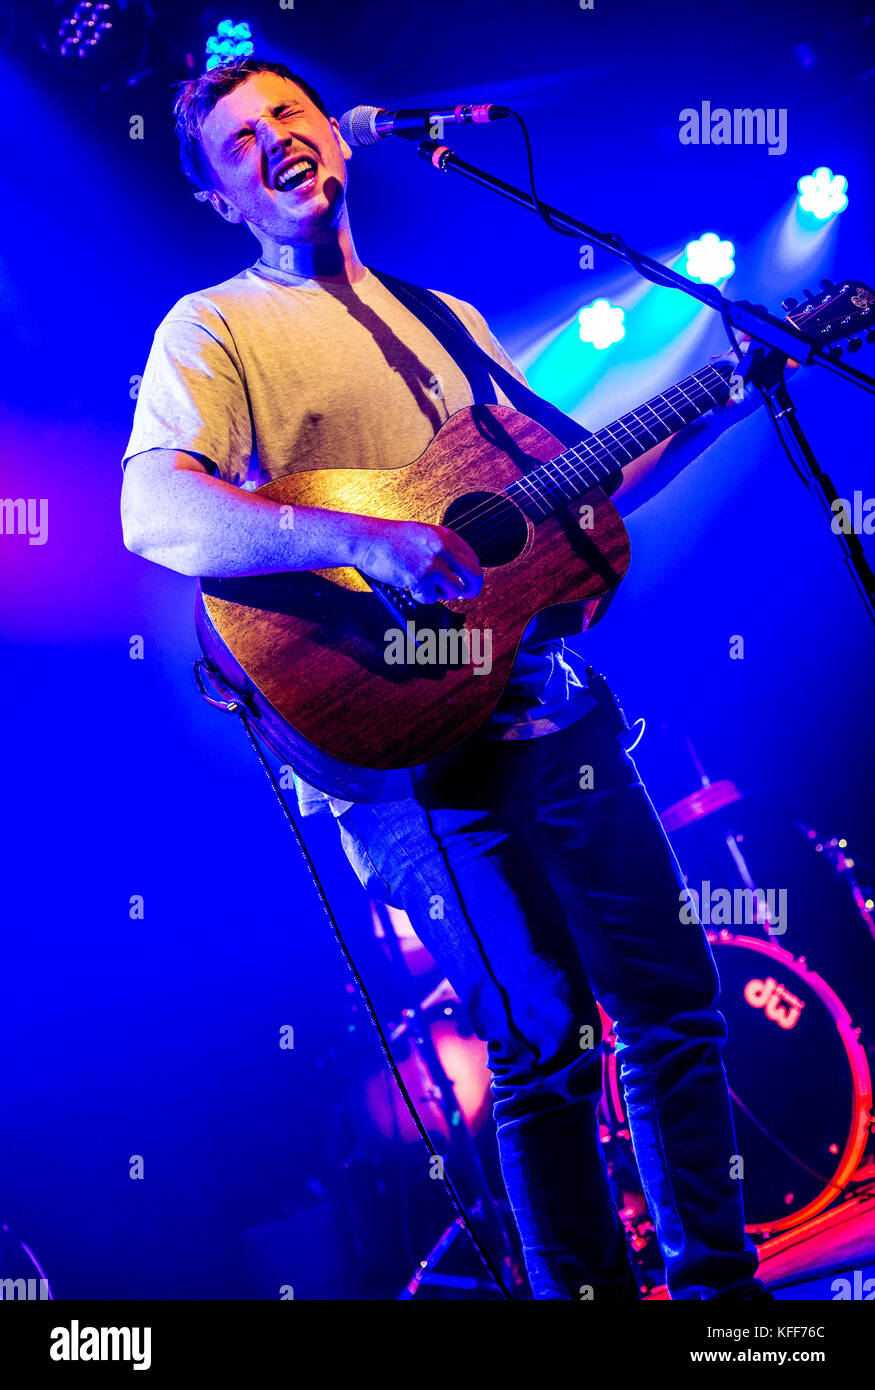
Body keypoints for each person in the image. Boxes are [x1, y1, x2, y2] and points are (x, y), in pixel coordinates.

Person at [121, 57, 775, 1301]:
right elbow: (153, 509)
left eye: (289, 116)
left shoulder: (449, 322)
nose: (274, 142)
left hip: (548, 710)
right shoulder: (215, 328)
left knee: (671, 1004)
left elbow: (559, 500)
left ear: (339, 137)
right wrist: (365, 542)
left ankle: (717, 1297)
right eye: (238, 140)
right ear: (220, 196)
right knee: (539, 1041)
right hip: (404, 752)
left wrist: (721, 405)